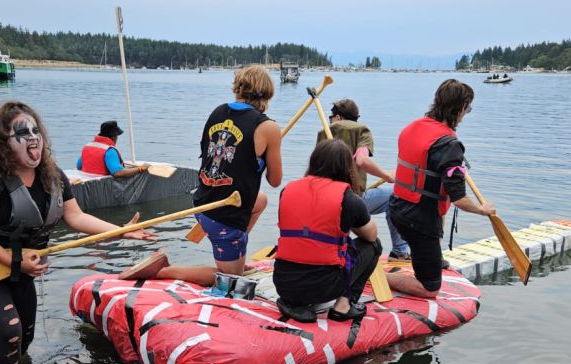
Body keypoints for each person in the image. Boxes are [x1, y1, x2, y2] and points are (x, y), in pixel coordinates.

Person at [0, 101, 155, 364]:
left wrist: (120, 232)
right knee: (9, 332)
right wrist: (13, 261)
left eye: (35, 131)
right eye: (21, 132)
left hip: (19, 263)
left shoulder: (51, 174)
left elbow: (75, 216)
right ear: (3, 142)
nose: (32, 138)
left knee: (25, 335)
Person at [118, 65, 283, 286]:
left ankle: (235, 246)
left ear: (238, 88)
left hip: (203, 202)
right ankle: (163, 270)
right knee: (231, 279)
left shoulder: (218, 112)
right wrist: (266, 154)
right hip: (225, 212)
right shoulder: (268, 127)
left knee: (260, 201)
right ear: (267, 93)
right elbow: (275, 180)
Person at [387, 79, 496, 298]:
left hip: (397, 209)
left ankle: (427, 262)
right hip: (419, 222)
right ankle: (379, 276)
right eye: (468, 108)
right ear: (462, 107)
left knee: (429, 251)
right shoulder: (449, 145)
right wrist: (482, 209)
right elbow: (458, 199)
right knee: (431, 289)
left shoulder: (413, 127)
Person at [273, 139, 381, 323]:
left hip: (283, 282)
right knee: (374, 246)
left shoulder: (287, 190)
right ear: (346, 167)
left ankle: (293, 302)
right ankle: (343, 305)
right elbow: (371, 235)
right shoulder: (349, 200)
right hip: (323, 287)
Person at [317, 98, 411, 261]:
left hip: (324, 198)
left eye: (331, 117)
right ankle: (400, 252)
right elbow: (361, 160)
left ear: (338, 117)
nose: (330, 121)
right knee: (397, 193)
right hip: (351, 199)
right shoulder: (362, 130)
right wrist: (388, 176)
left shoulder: (324, 132)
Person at [76, 120, 149, 177]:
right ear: (113, 137)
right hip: (103, 187)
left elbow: (79, 166)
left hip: (87, 185)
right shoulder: (109, 151)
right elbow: (118, 173)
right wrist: (140, 169)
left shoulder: (87, 147)